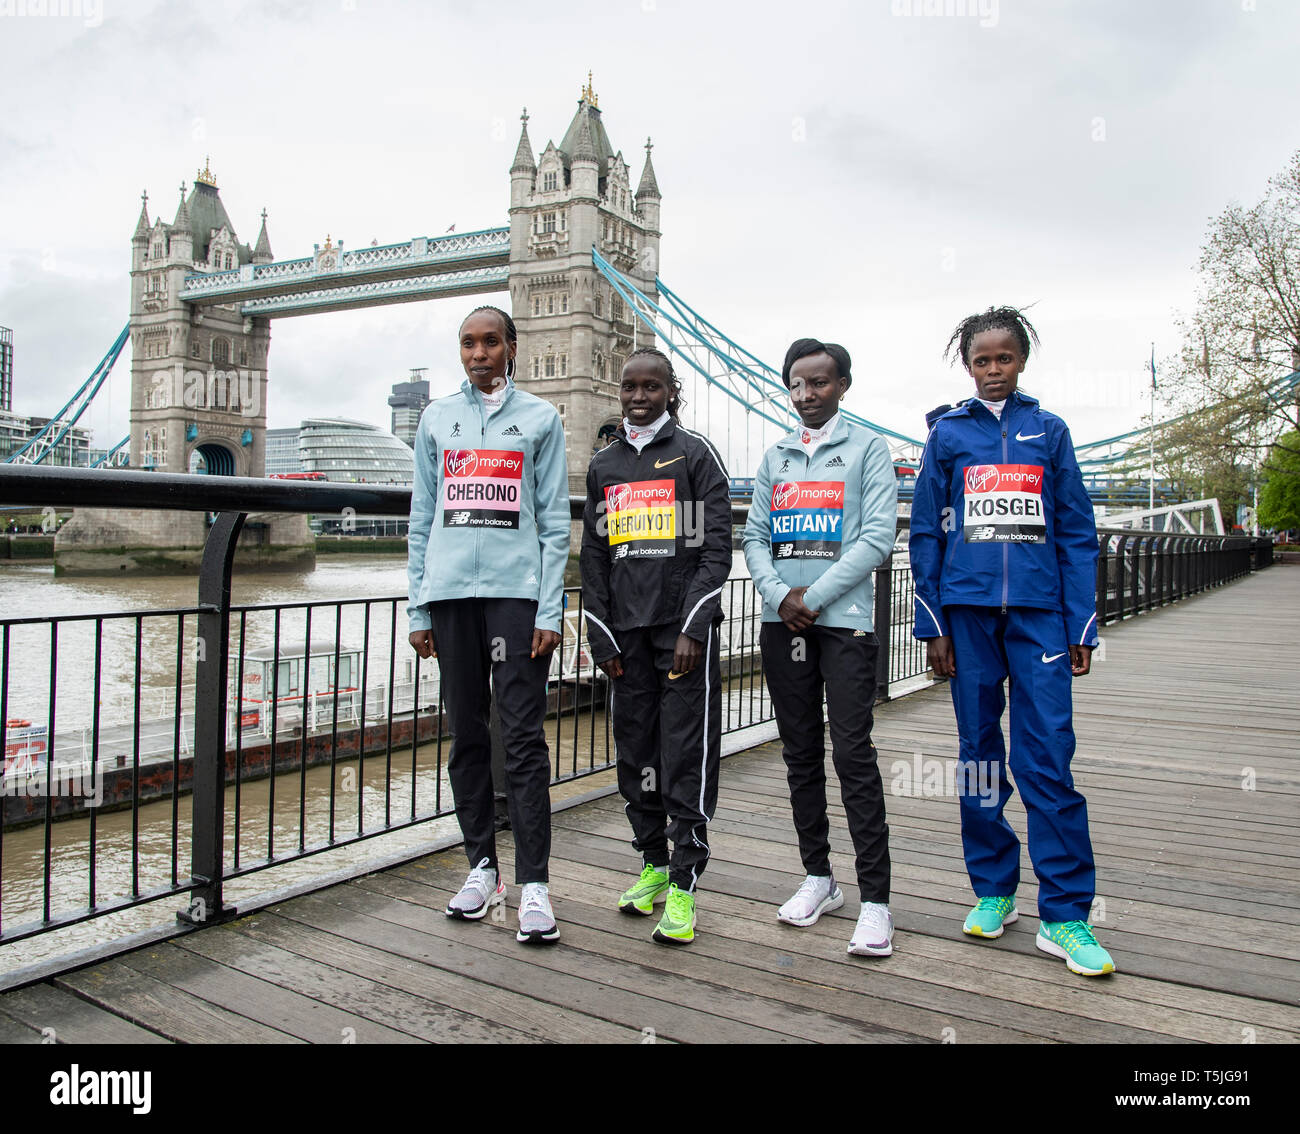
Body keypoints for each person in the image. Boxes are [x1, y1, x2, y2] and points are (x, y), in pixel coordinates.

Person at [909, 305, 1115, 977]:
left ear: (1022, 360)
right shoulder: (948, 439)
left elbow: (1077, 532)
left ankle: (1065, 915)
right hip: (967, 618)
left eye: (1004, 358)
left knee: (1048, 758)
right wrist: (933, 625)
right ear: (966, 367)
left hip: (1040, 617)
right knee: (977, 755)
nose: (993, 370)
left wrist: (1081, 622)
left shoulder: (1049, 433)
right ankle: (995, 890)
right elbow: (928, 536)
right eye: (981, 361)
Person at [407, 305, 569, 945]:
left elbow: (555, 523)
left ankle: (534, 886)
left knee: (522, 741)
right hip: (449, 598)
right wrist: (417, 606)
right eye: (468, 344)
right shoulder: (434, 420)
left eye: (490, 342)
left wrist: (549, 609)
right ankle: (481, 868)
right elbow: (423, 520)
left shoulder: (541, 419)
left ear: (511, 347)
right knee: (466, 738)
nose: (478, 353)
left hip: (515, 598)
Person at [743, 337, 899, 957]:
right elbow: (754, 536)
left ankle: (877, 901)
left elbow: (877, 537)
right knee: (799, 753)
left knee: (853, 753)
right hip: (783, 623)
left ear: (843, 385)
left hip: (845, 624)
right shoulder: (775, 456)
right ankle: (818, 876)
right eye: (797, 385)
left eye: (820, 383)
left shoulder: (869, 449)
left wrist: (815, 596)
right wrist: (782, 595)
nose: (807, 395)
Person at [581, 348, 732, 946]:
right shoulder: (604, 466)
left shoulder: (694, 457)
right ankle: (651, 862)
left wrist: (694, 627)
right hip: (625, 638)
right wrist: (599, 630)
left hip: (679, 635)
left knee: (685, 755)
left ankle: (685, 884)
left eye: (652, 387)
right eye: (630, 388)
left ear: (672, 392)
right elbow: (596, 557)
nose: (639, 397)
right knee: (635, 752)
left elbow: (714, 550)